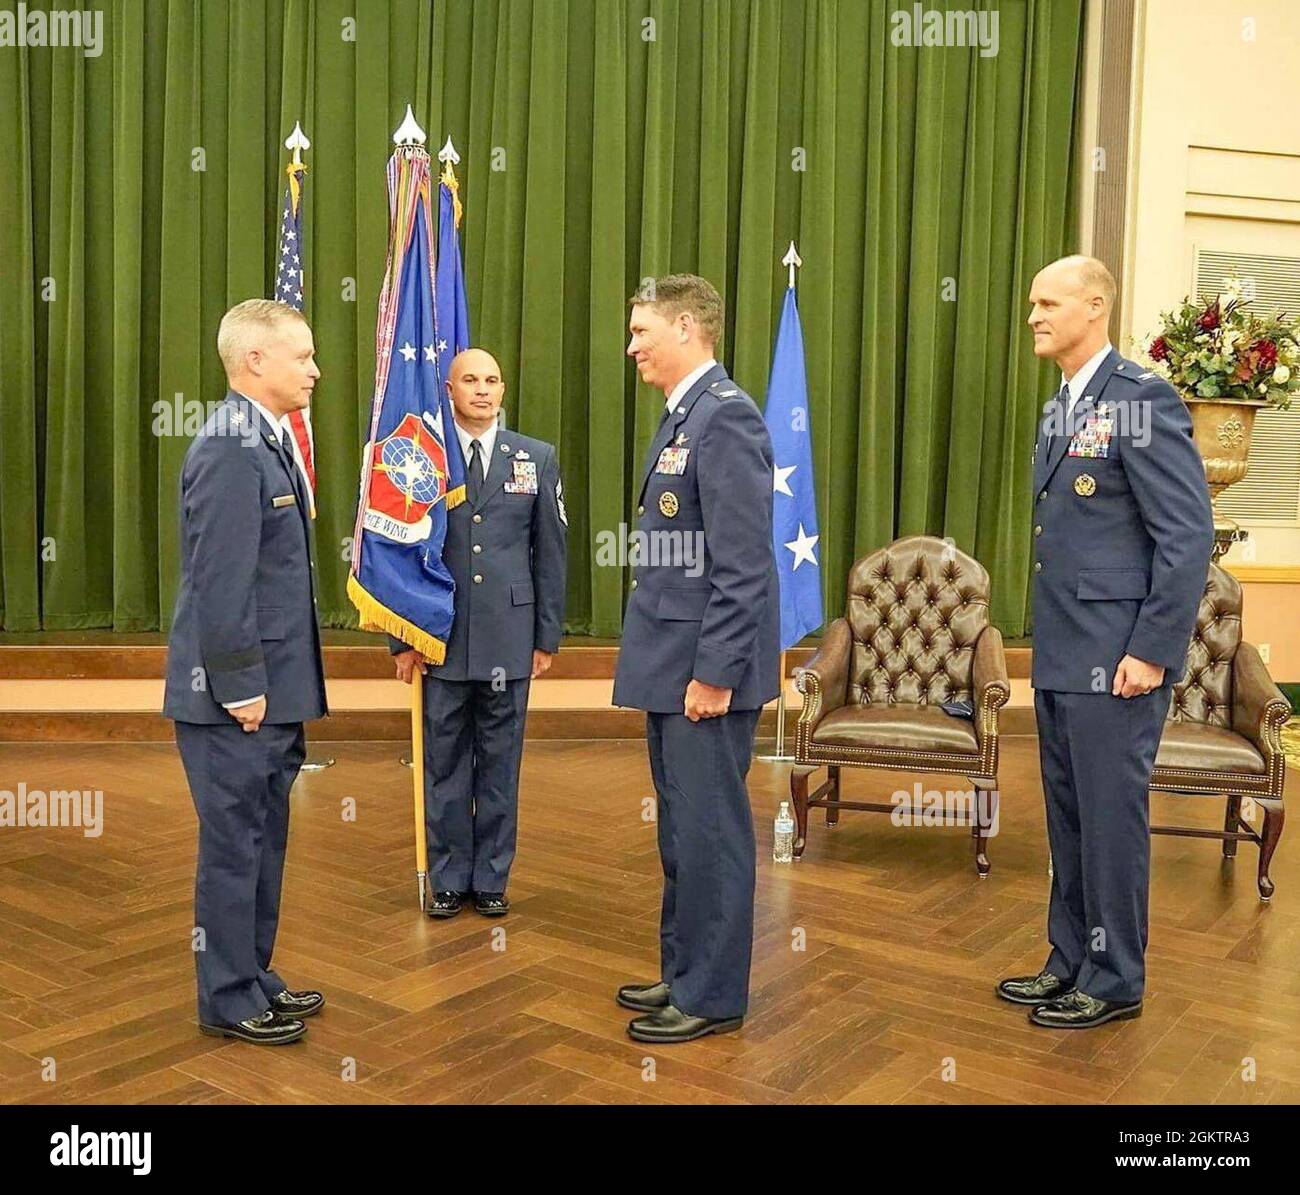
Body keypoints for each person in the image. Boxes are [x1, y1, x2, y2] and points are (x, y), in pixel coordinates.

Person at [997, 255, 1214, 1029]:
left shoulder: (1141, 399)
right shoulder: (1064, 405)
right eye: (1031, 302)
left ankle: (1115, 976)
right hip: (1063, 650)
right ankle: (1069, 960)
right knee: (1069, 816)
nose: (1033, 315)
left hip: (1118, 658)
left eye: (1048, 302)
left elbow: (1186, 537)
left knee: (1111, 818)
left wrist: (1152, 648)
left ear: (1095, 307)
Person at [612, 274, 780, 1044]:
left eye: (643, 330)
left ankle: (712, 994)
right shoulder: (685, 417)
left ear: (687, 327)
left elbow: (743, 565)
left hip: (705, 673)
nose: (633, 345)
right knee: (681, 829)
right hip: (673, 661)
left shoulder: (726, 418)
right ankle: (683, 972)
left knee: (711, 831)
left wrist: (713, 672)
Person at [163, 299, 329, 1045]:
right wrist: (240, 685)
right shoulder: (231, 446)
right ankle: (227, 996)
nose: (316, 369)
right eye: (303, 356)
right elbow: (220, 582)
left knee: (262, 842)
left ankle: (253, 973)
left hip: (271, 693)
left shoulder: (263, 438)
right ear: (255, 361)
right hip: (236, 698)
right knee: (234, 849)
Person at [392, 348, 567, 918]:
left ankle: (491, 876)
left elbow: (551, 555)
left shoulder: (535, 457)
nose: (483, 390)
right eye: (471, 380)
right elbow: (398, 548)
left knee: (499, 765)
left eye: (492, 380)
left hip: (509, 637)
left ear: (503, 389)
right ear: (449, 388)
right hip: (440, 636)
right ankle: (447, 878)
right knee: (443, 764)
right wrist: (403, 637)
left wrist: (546, 638)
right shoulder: (422, 458)